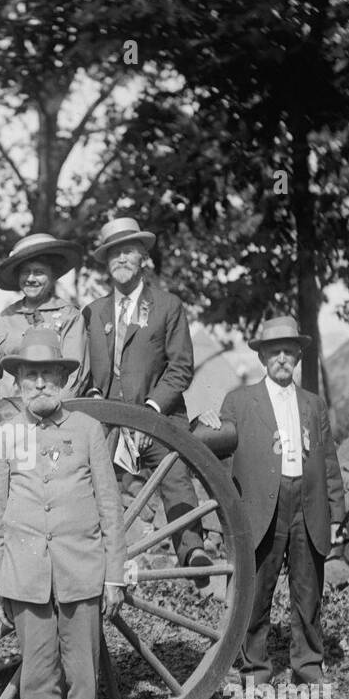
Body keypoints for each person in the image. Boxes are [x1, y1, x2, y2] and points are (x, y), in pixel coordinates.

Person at [0, 329, 126, 699]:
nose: (39, 384)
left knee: (82, 674)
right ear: (18, 383)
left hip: (81, 571)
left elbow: (110, 506)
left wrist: (113, 575)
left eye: (48, 374)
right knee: (38, 675)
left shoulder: (87, 431)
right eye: (30, 376)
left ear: (64, 380)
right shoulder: (5, 436)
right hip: (26, 578)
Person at [198, 317, 343, 687]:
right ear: (262, 357)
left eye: (289, 351)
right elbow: (215, 443)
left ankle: (308, 666)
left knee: (308, 593)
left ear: (297, 356)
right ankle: (256, 671)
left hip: (307, 505)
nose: (282, 358)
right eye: (274, 351)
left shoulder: (312, 404)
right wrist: (207, 420)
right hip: (263, 507)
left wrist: (337, 512)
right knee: (256, 594)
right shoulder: (240, 401)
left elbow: (328, 460)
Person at [82, 216, 211, 586]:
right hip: (105, 420)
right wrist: (94, 399)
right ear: (106, 264)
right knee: (81, 478)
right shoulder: (93, 312)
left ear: (143, 260)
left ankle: (192, 549)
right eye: (113, 254)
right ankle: (81, 555)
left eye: (128, 252)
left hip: (157, 416)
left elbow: (181, 367)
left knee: (171, 469)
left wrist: (152, 411)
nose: (121, 259)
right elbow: (85, 371)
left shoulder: (167, 306)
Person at [0, 233, 87, 421]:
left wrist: (50, 412)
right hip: (6, 417)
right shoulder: (6, 317)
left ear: (52, 276)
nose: (31, 278)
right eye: (25, 272)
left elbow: (76, 375)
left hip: (53, 416)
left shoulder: (70, 316)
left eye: (38, 272)